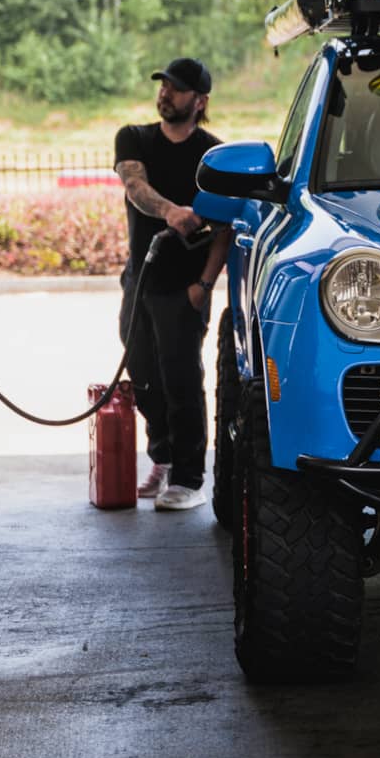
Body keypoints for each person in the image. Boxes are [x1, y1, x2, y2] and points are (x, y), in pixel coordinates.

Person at [113, 58, 230, 511]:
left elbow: (224, 229)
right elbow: (134, 185)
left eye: (177, 89)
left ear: (199, 102)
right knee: (141, 371)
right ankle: (161, 456)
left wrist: (203, 285)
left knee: (181, 379)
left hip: (184, 286)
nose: (165, 94)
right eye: (163, 86)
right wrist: (171, 212)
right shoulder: (134, 138)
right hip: (140, 280)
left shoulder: (213, 157)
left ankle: (188, 478)